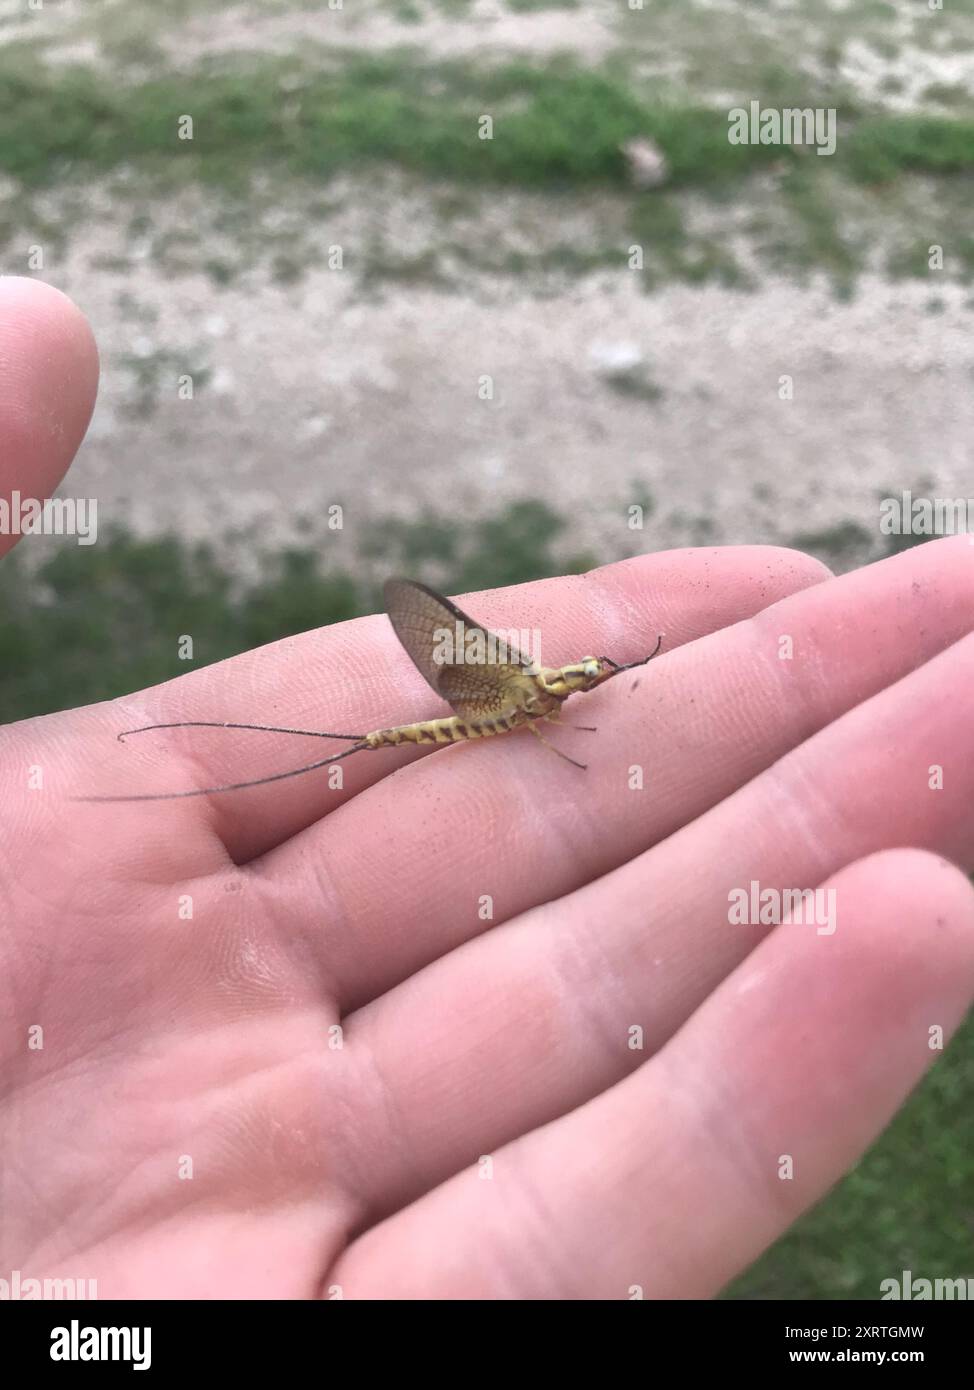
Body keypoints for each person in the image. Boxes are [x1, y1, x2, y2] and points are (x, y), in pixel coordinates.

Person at [2, 276, 972, 1299]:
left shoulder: (544, 698)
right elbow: (540, 724)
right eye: (586, 679)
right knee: (370, 735)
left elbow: (558, 712)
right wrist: (558, 729)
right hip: (465, 715)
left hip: (487, 711)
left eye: (587, 682)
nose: (587, 686)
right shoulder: (527, 698)